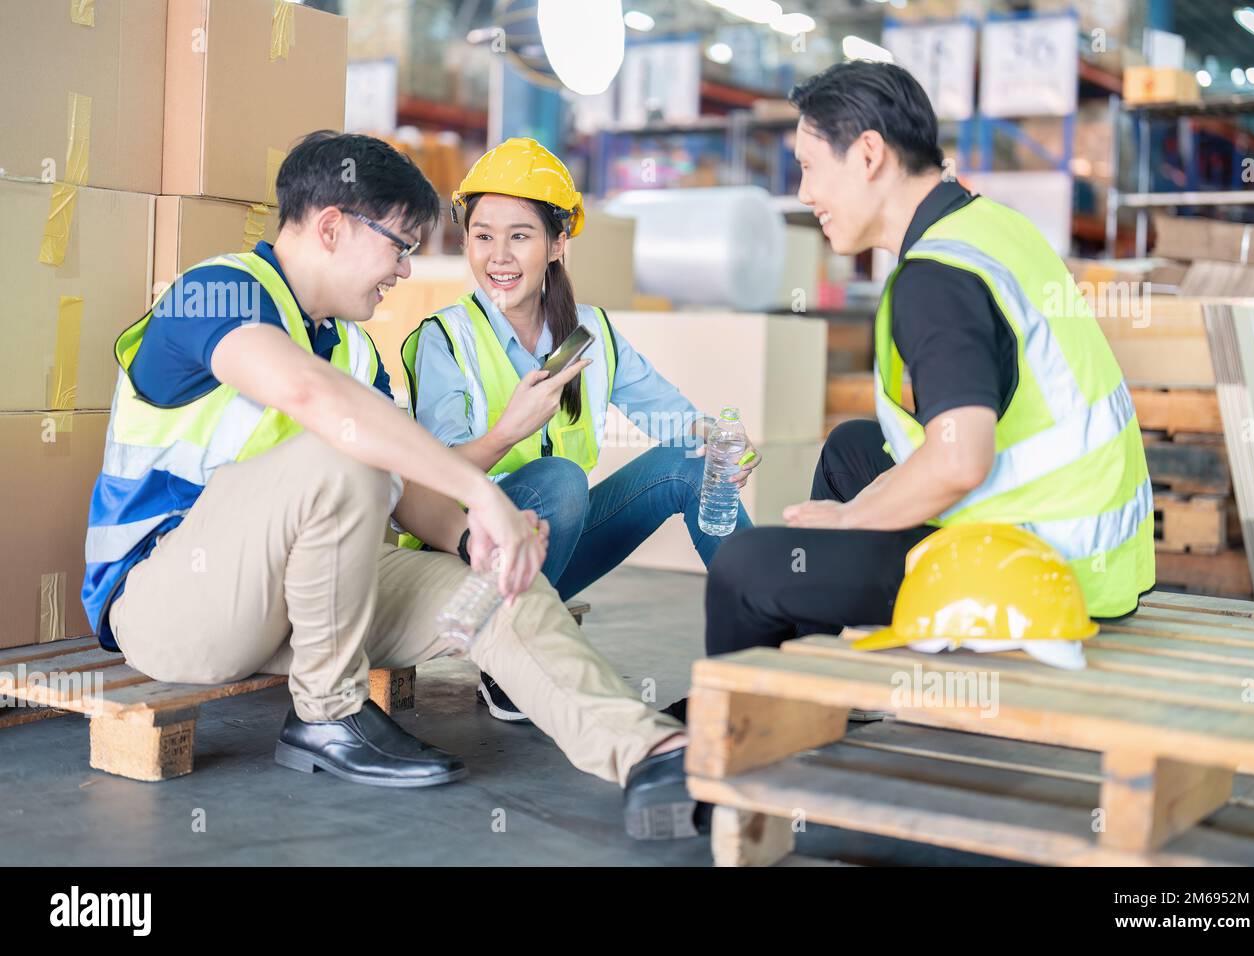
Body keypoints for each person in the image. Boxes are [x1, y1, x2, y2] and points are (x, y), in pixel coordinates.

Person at [80, 131, 705, 840]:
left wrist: (476, 535)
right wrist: (487, 493)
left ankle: (652, 754)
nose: (406, 271)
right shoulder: (215, 291)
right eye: (400, 246)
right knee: (344, 451)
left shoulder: (354, 347)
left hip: (306, 605)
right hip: (172, 604)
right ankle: (327, 715)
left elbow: (406, 487)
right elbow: (314, 401)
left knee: (499, 587)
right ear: (331, 226)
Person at [705, 61, 1155, 660]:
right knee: (852, 450)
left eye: (810, 167)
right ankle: (811, 679)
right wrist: (861, 508)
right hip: (1090, 548)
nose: (804, 192)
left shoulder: (937, 277)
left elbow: (960, 460)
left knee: (743, 567)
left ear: (868, 155)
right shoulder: (988, 226)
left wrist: (847, 523)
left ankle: (728, 738)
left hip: (1039, 569)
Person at [402, 138, 761, 722]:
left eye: (519, 235)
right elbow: (427, 485)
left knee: (692, 464)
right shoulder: (446, 339)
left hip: (554, 551)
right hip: (468, 559)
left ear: (557, 244)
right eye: (483, 234)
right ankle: (506, 657)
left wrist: (723, 441)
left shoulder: (588, 334)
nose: (498, 254)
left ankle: (770, 650)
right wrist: (505, 433)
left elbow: (674, 420)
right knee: (560, 480)